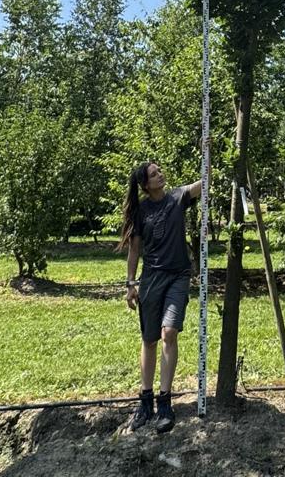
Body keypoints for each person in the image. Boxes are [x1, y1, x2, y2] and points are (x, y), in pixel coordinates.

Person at [118, 161, 202, 434]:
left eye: (160, 171)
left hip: (178, 276)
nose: (160, 175)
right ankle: (146, 401)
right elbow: (134, 250)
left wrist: (208, 151)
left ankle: (165, 402)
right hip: (152, 278)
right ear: (145, 185)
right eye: (154, 174)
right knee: (149, 339)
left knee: (169, 332)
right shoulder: (141, 211)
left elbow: (204, 184)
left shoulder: (178, 197)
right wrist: (131, 284)